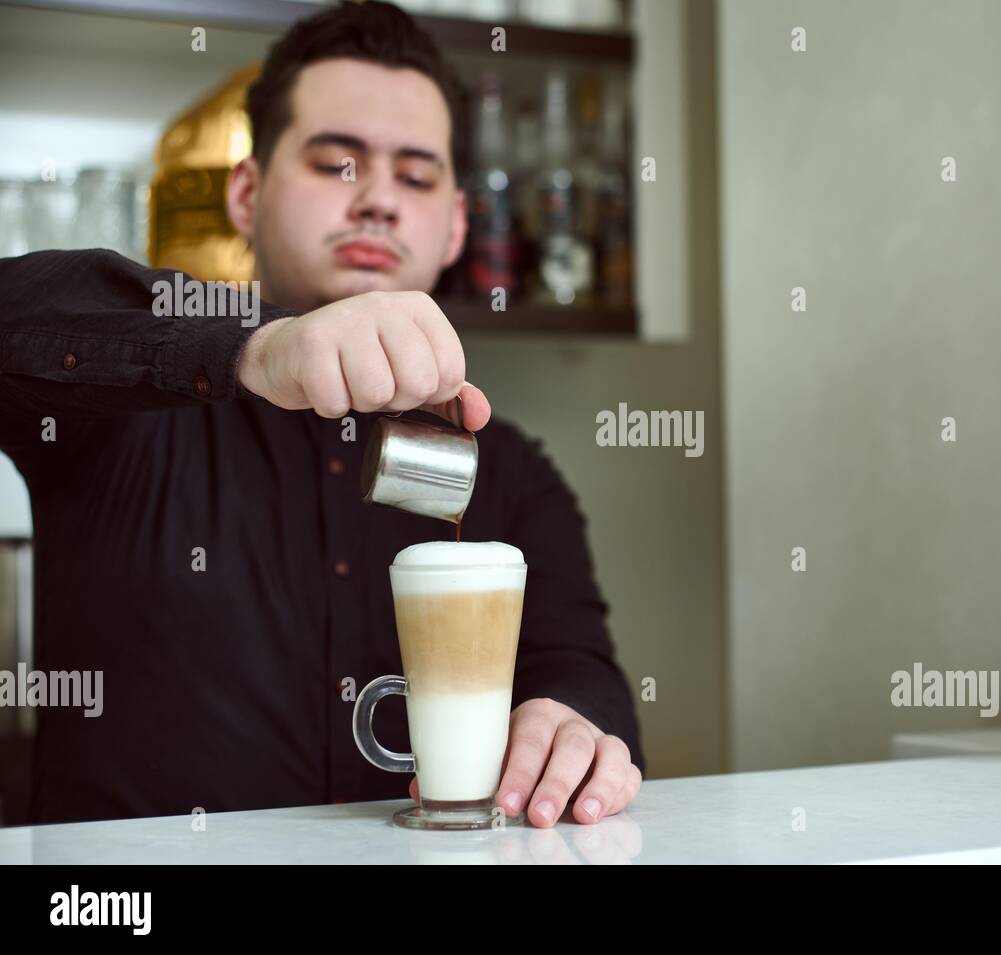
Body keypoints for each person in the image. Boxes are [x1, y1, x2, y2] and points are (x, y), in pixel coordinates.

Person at [0, 0, 643, 827]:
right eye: (336, 162)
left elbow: (581, 668)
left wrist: (575, 726)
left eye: (415, 176)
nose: (375, 199)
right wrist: (252, 345)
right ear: (247, 193)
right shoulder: (117, 420)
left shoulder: (512, 474)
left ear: (454, 227)